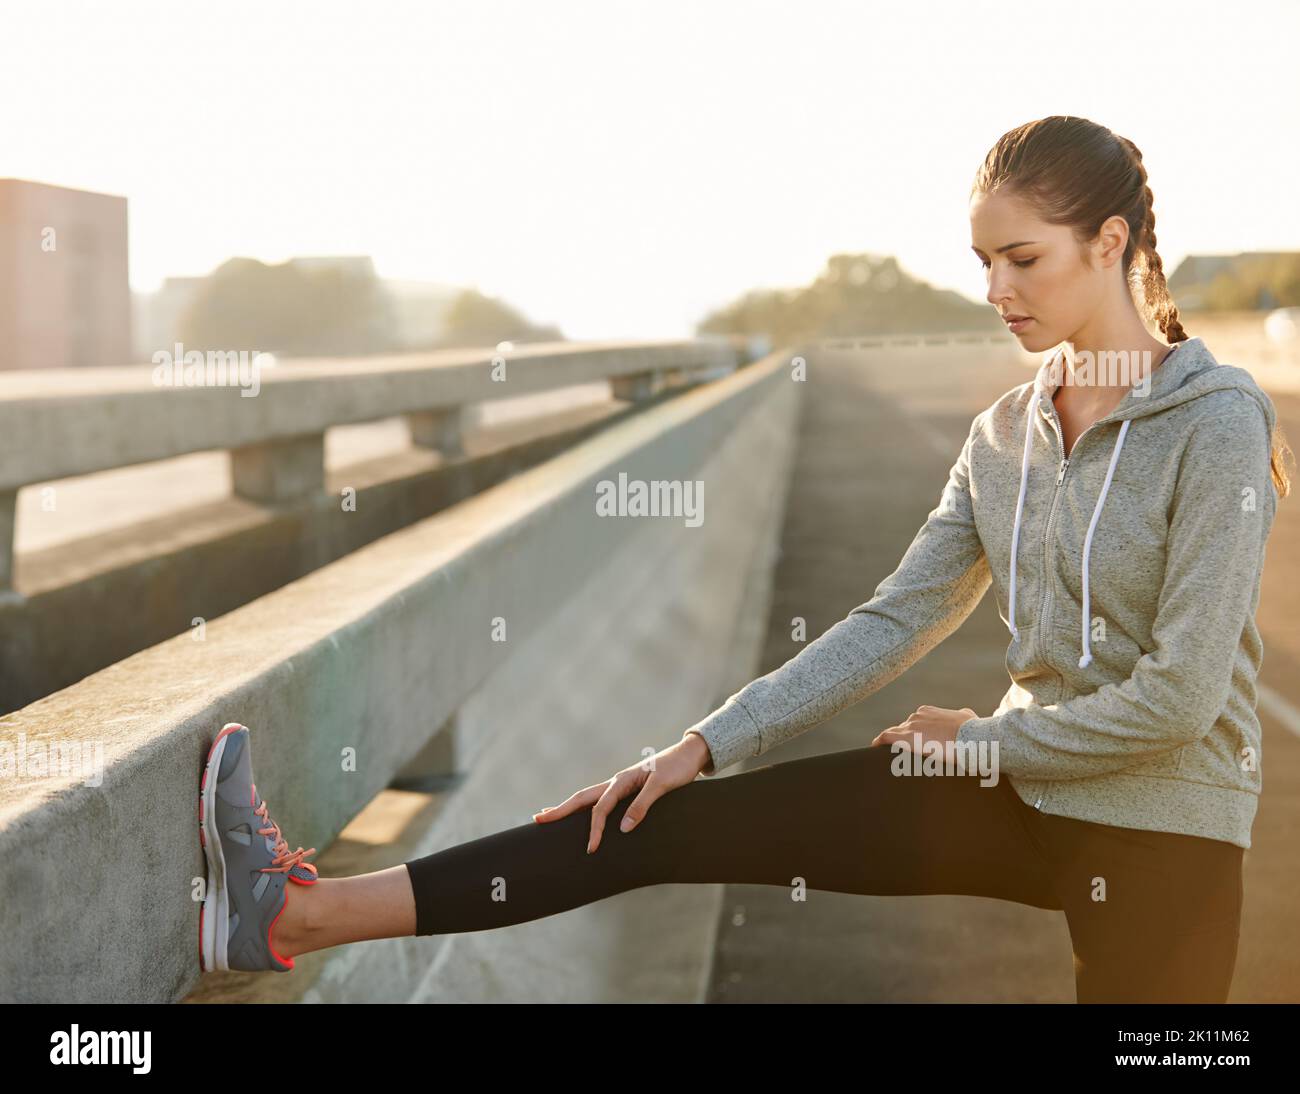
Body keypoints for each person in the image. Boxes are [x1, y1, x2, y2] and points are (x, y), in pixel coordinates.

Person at [198, 115, 1294, 1003]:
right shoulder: (1007, 431)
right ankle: (297, 912)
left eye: (1022, 259)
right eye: (981, 263)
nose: (997, 291)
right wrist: (703, 743)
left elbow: (1182, 697)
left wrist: (978, 743)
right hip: (1019, 787)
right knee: (650, 815)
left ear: (1111, 242)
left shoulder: (1214, 420)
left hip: (1164, 828)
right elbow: (890, 619)